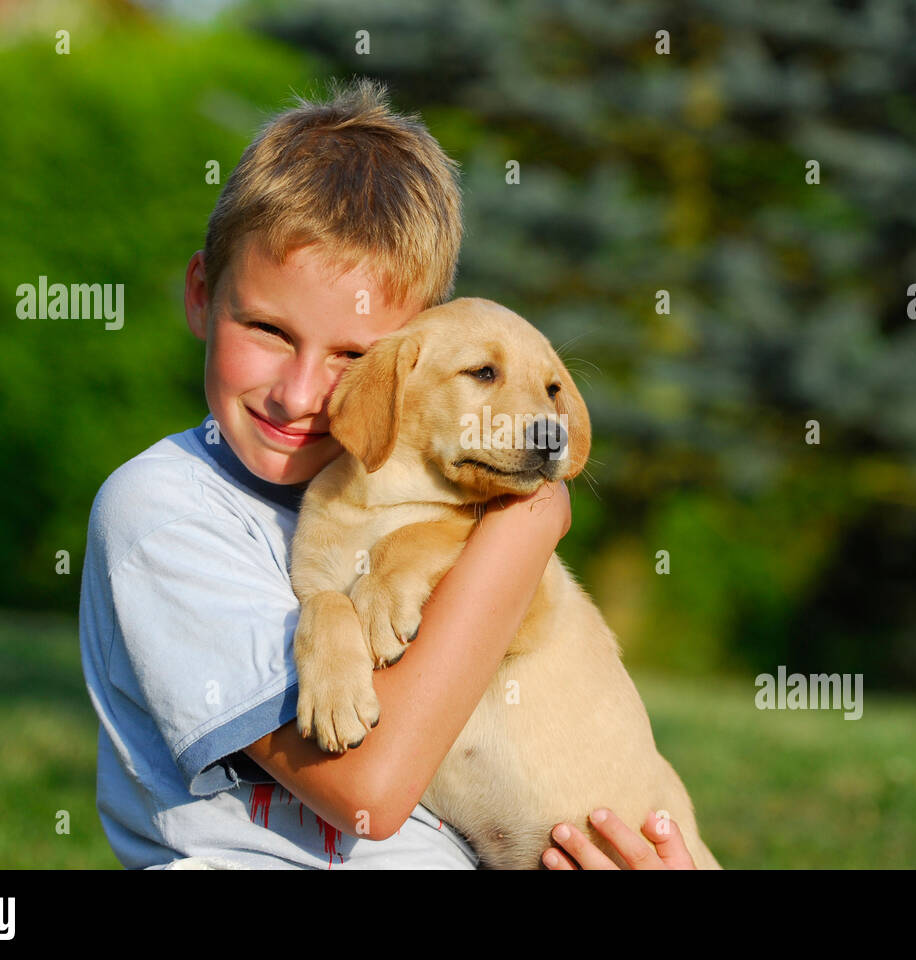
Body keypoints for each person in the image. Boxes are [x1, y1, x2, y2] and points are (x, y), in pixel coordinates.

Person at [78, 76, 695, 870]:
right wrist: (531, 519)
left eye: (355, 357)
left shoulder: (390, 495)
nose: (301, 393)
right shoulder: (161, 511)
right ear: (201, 296)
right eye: (268, 329)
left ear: (406, 364)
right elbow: (367, 789)